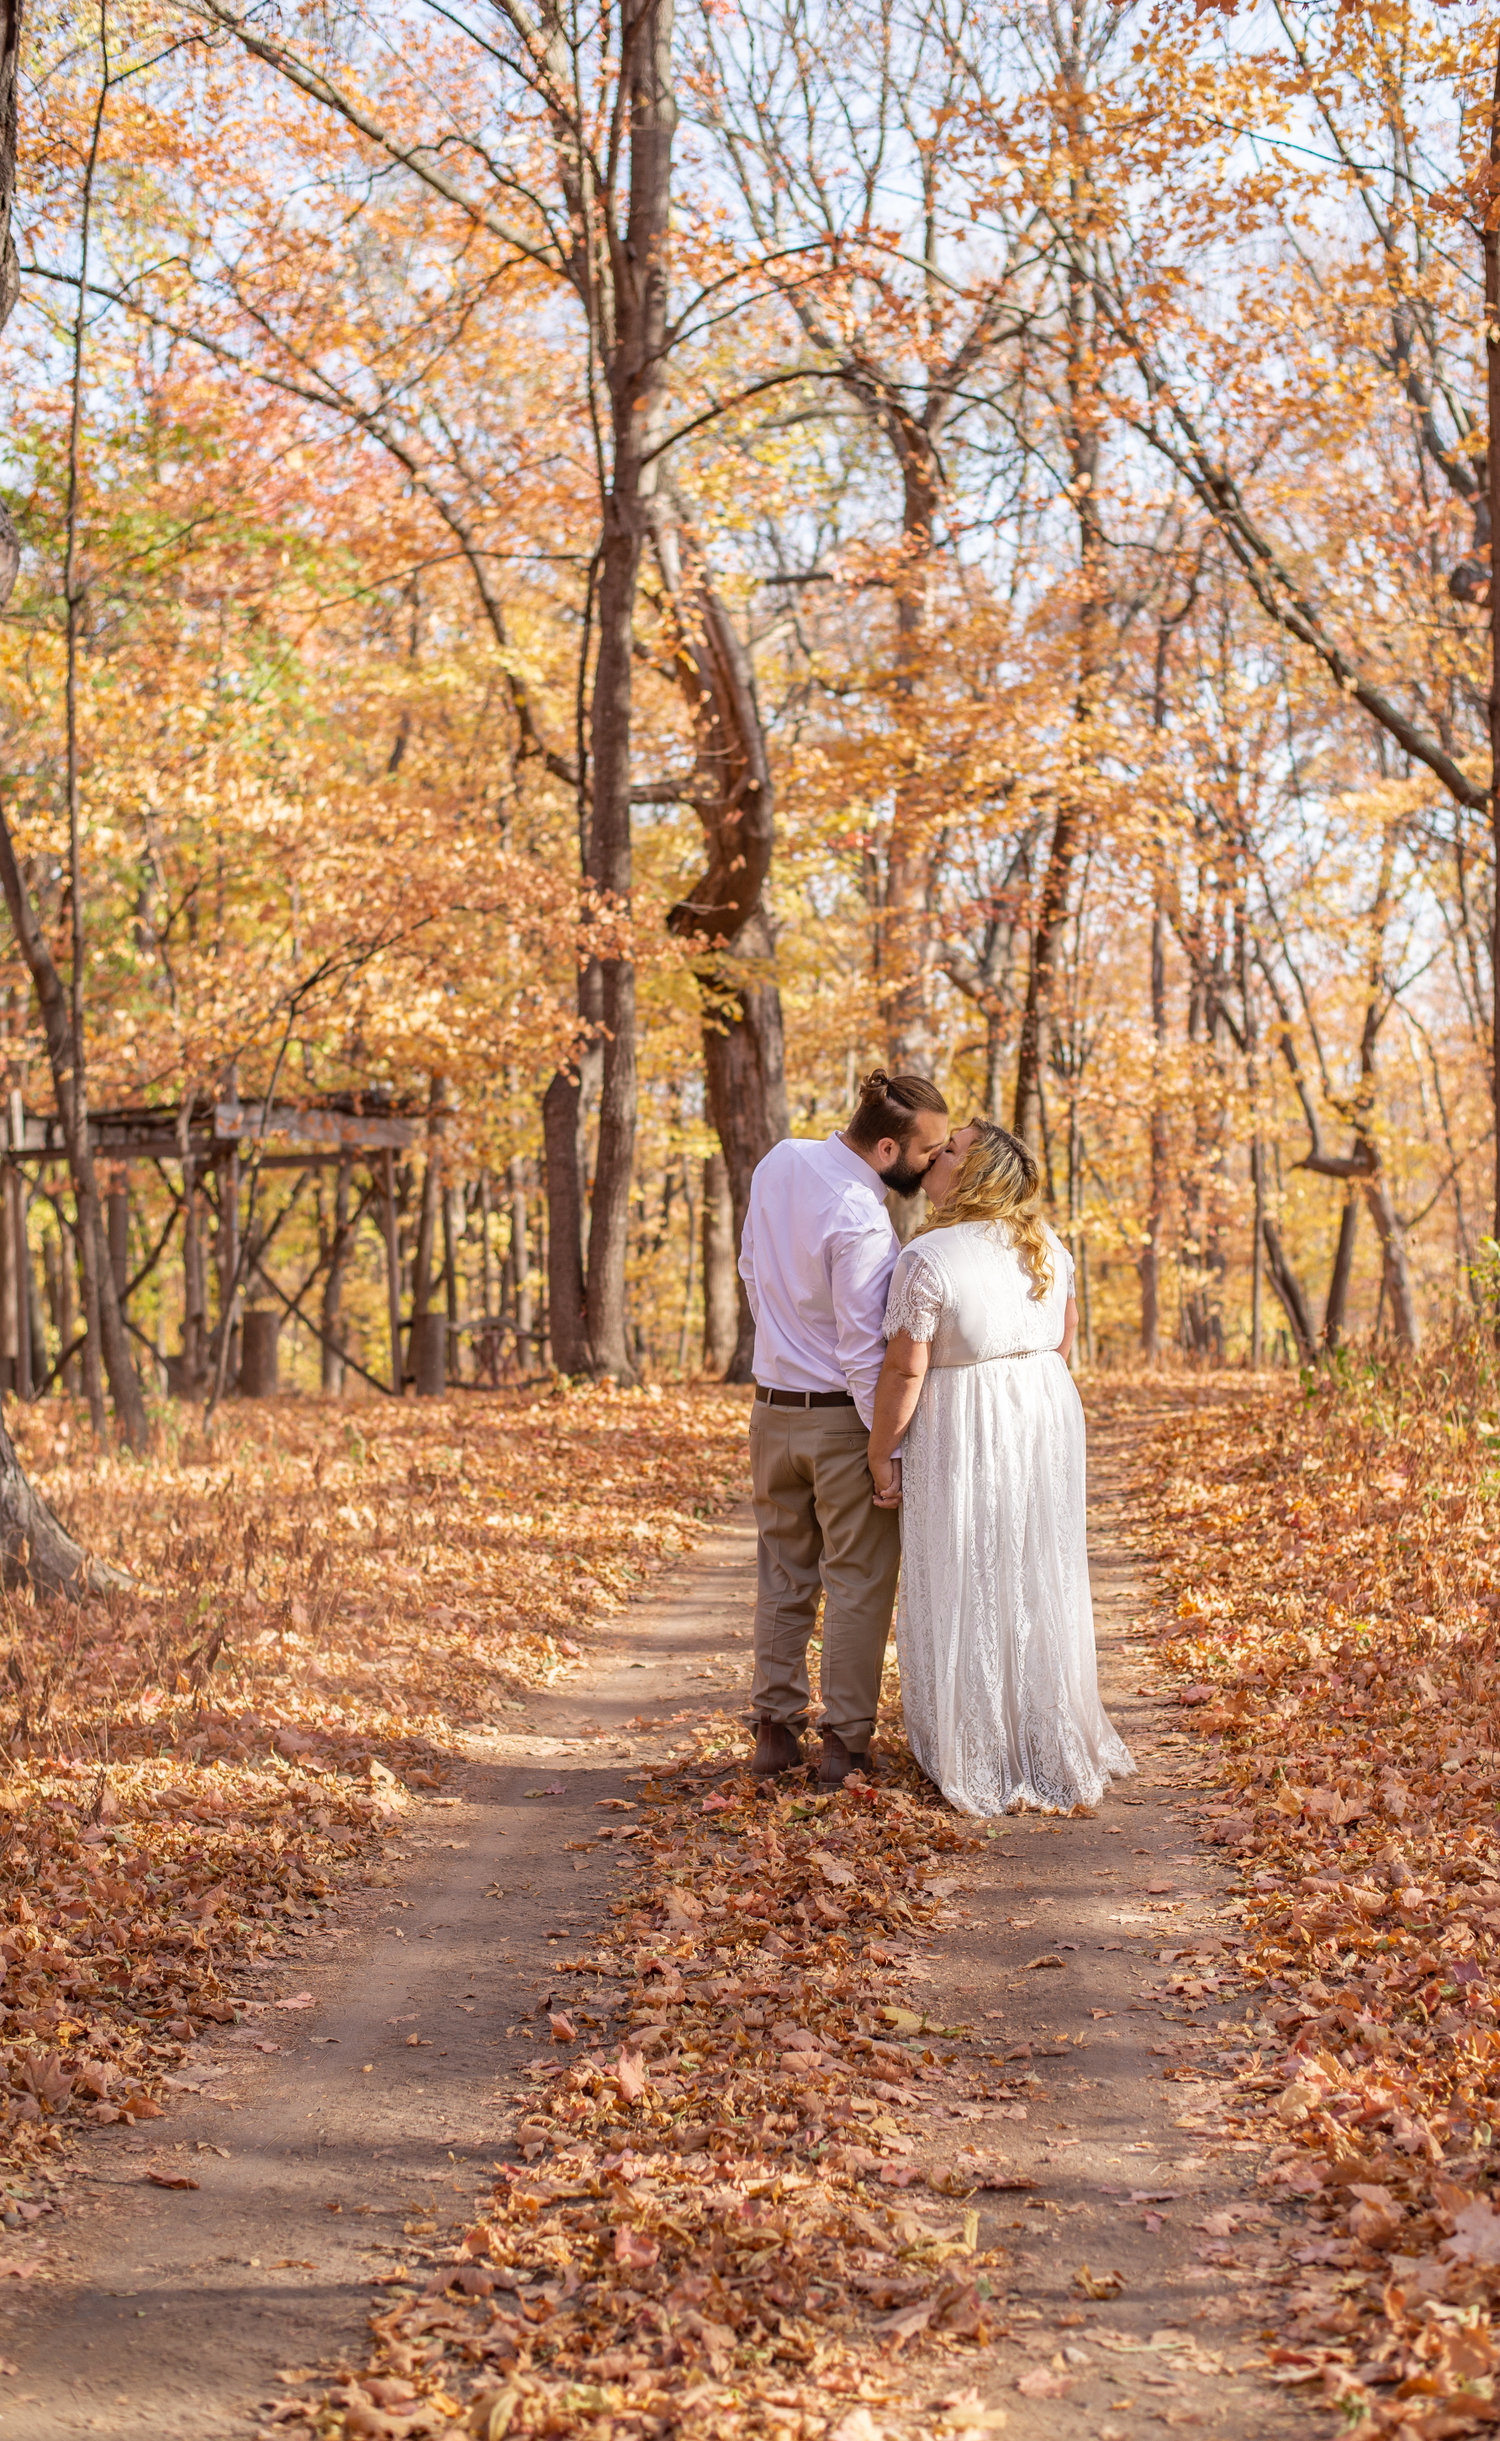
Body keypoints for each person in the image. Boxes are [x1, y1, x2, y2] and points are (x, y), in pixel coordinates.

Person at [867, 1120, 1134, 1815]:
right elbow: (1065, 1338)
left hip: (966, 1417)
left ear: (972, 1175)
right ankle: (1035, 1726)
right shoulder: (1047, 1243)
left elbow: (905, 1368)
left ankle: (981, 1741)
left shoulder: (928, 1256)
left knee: (967, 1563)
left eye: (950, 1149)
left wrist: (881, 1449)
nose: (935, 1154)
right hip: (1043, 1410)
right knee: (1031, 1567)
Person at [738, 1070, 951, 1785]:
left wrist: (782, 1345)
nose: (930, 1165)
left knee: (783, 1573)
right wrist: (884, 1447)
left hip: (771, 1411)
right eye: (927, 1153)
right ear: (888, 1148)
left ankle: (774, 1733)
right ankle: (845, 1745)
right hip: (838, 1419)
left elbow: (749, 1269)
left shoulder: (780, 1161)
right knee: (858, 1580)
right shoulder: (861, 1215)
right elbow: (865, 1352)